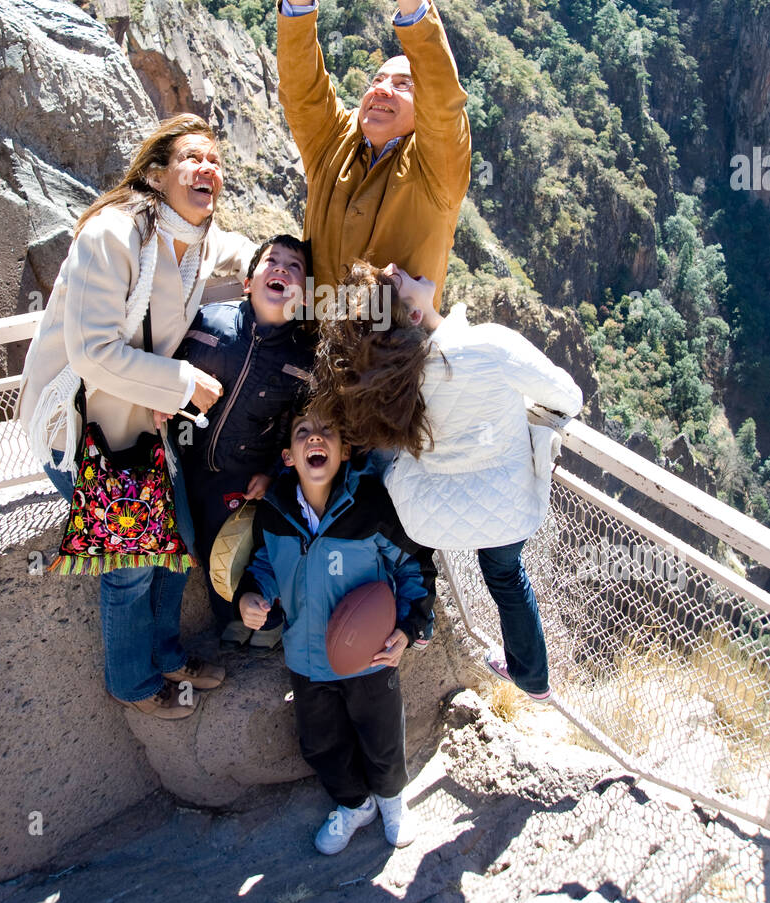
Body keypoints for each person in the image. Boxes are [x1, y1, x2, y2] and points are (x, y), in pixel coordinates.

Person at [18, 115, 256, 719]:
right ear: (155, 175)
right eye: (193, 158)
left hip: (140, 424)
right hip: (82, 428)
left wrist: (297, 277)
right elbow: (93, 354)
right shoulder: (113, 236)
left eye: (216, 161)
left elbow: (248, 257)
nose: (210, 170)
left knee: (179, 540)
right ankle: (132, 683)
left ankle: (167, 654)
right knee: (132, 565)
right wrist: (184, 383)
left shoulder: (198, 239)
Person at [309, 262, 585, 701]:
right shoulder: (490, 344)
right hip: (508, 510)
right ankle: (532, 680)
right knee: (505, 573)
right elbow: (569, 397)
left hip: (431, 520)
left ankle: (416, 624)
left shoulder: (391, 383)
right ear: (414, 316)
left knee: (398, 493)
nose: (396, 266)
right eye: (395, 279)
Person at [235, 410, 436, 853]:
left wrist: (409, 626)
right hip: (306, 659)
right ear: (289, 457)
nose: (315, 438)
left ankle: (391, 800)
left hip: (371, 654)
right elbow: (264, 565)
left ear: (345, 451)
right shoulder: (274, 512)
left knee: (381, 733)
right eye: (303, 432)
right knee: (320, 741)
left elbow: (414, 564)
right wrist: (252, 596)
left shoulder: (370, 506)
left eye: (327, 431)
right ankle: (354, 805)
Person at [276, 0, 471, 308]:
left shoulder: (437, 168)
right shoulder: (335, 143)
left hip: (390, 366)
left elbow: (441, 92)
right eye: (378, 80)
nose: (382, 88)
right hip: (313, 356)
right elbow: (301, 88)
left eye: (403, 85)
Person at [167, 234, 315, 649]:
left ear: (303, 296)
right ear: (248, 282)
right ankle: (227, 623)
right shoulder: (208, 321)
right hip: (182, 460)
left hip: (242, 473)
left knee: (231, 548)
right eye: (272, 261)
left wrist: (272, 474)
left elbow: (296, 428)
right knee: (190, 543)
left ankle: (255, 623)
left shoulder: (304, 359)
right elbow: (166, 366)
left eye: (295, 267)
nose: (282, 269)